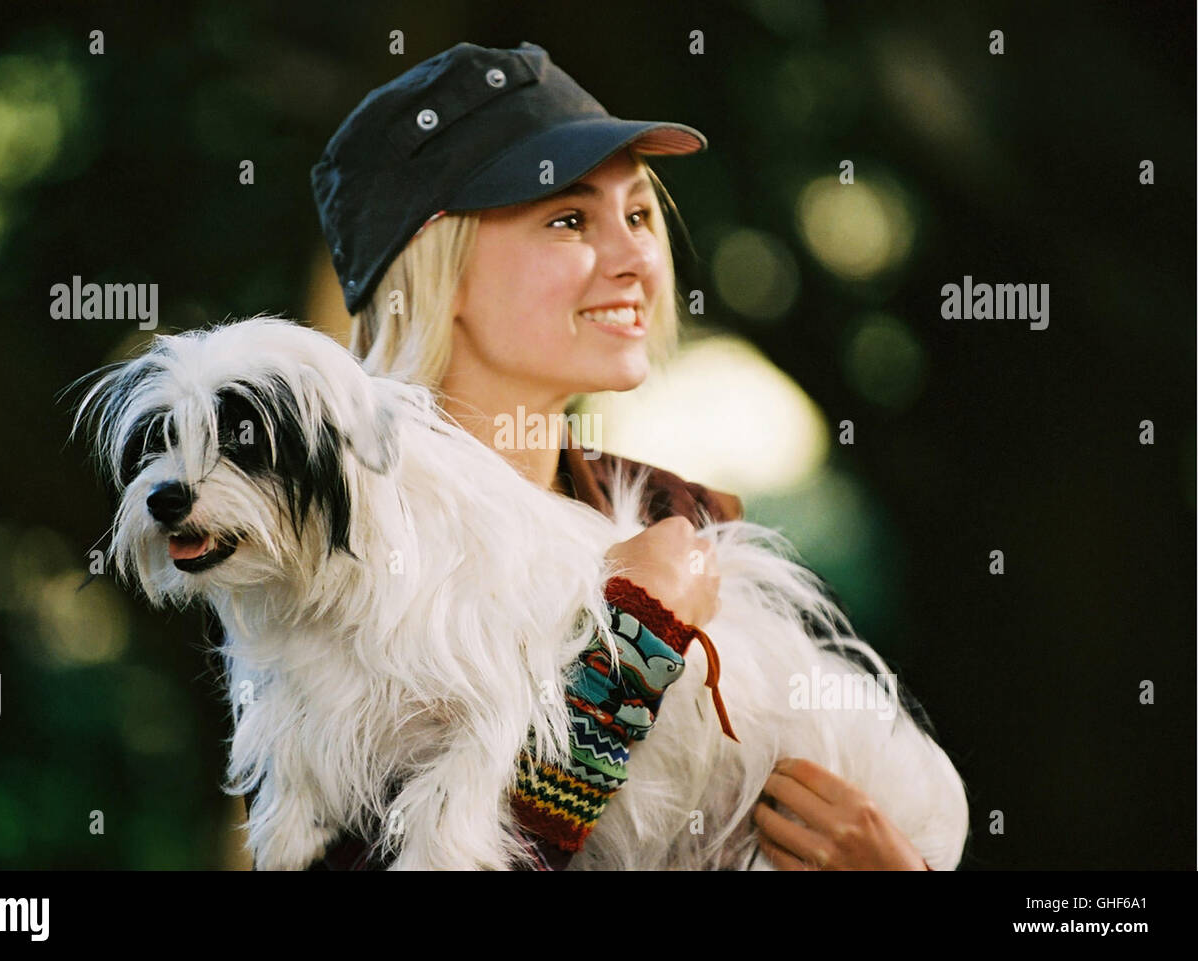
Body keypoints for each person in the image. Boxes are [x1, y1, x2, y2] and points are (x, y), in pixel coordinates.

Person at [296, 41, 947, 870]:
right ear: (436, 266)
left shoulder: (691, 519)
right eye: (569, 219)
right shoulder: (330, 554)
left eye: (638, 215)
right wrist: (633, 643)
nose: (638, 259)